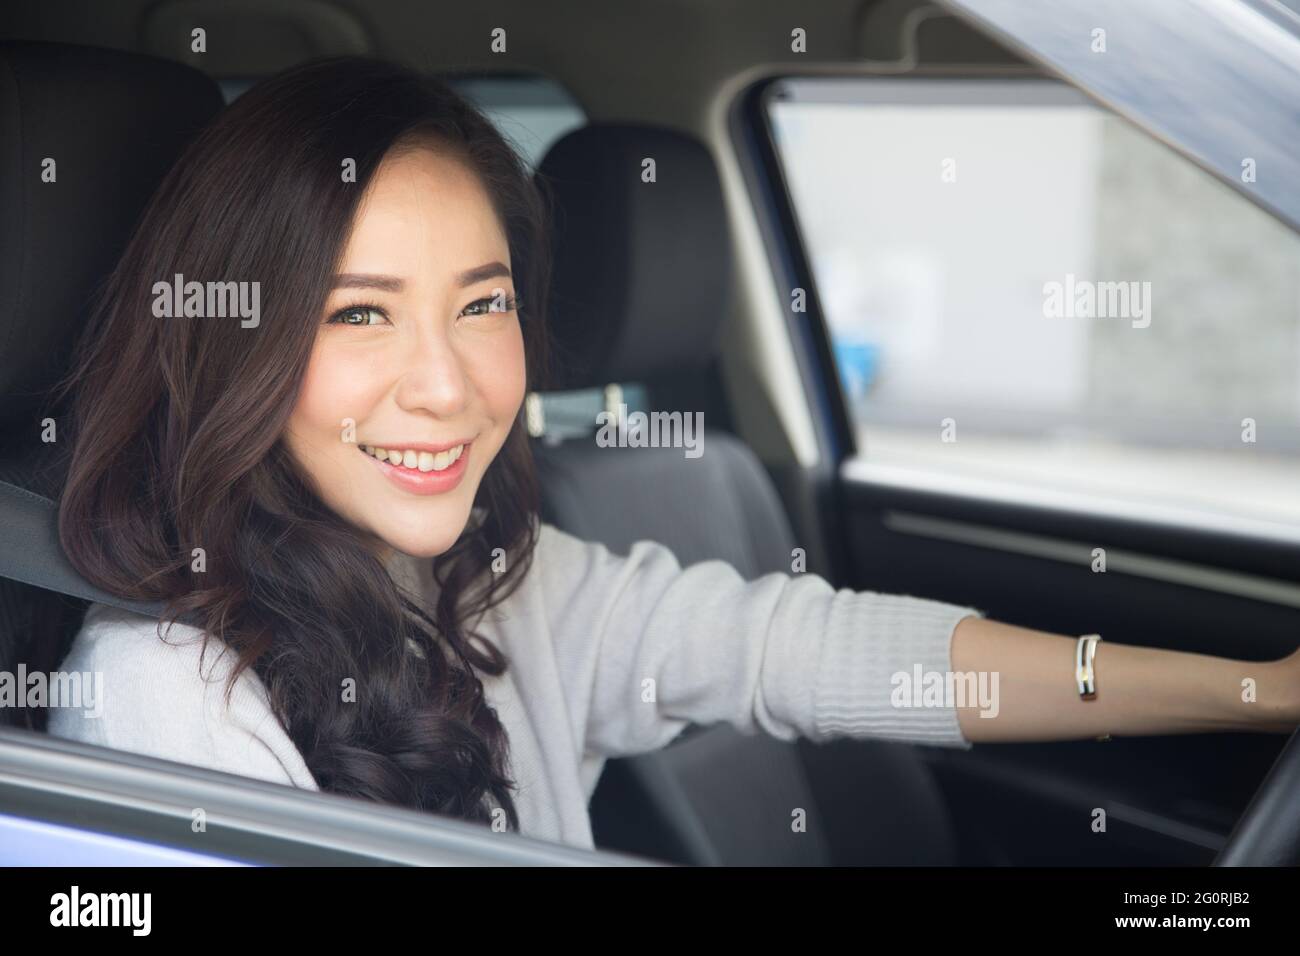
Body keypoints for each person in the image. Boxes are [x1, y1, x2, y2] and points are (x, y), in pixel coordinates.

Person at [42, 57, 1300, 852]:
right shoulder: (161, 691)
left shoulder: (497, 585)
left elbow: (810, 648)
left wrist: (1253, 688)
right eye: (356, 312)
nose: (447, 383)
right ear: (233, 344)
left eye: (482, 304)